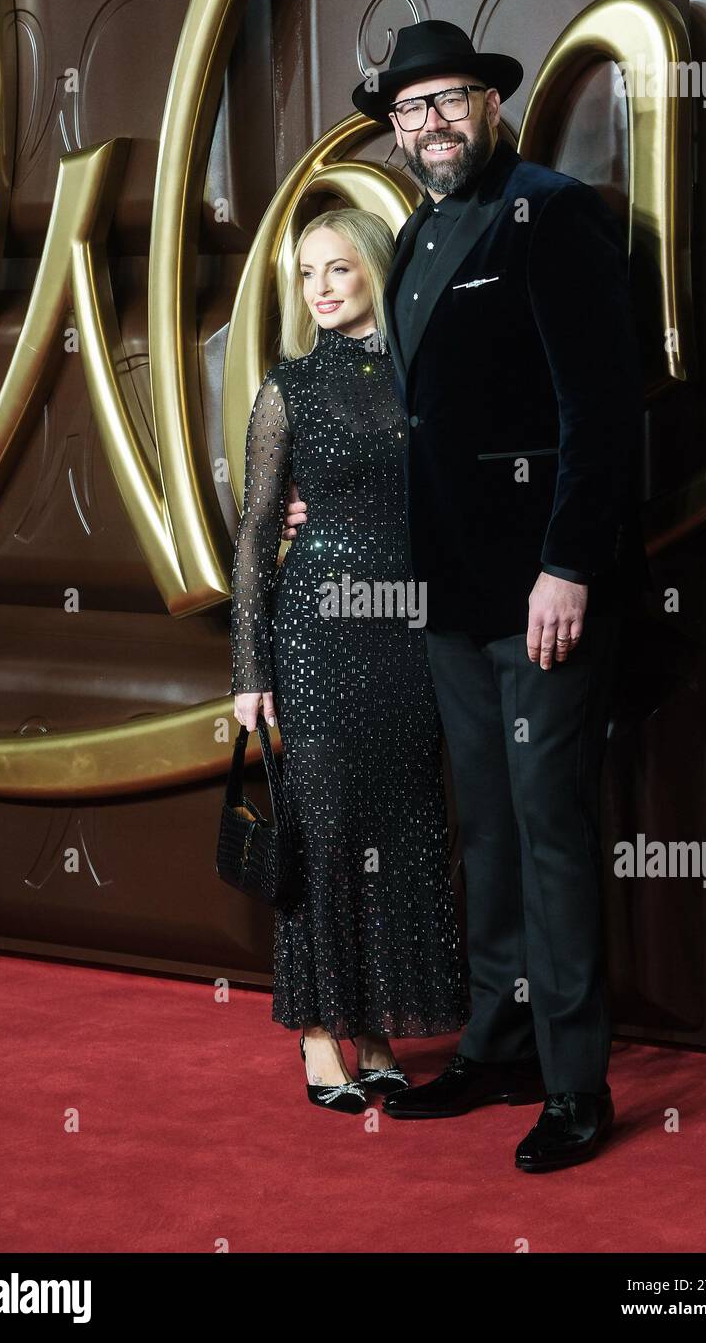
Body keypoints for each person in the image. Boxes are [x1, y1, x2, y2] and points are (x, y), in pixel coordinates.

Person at [281, 21, 651, 1168]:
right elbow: (425, 427)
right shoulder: (425, 230)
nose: (429, 125)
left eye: (447, 102)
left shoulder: (552, 213)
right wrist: (317, 504)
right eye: (408, 111)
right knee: (485, 833)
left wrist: (570, 565)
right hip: (444, 599)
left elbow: (600, 413)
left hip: (541, 595)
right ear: (392, 132)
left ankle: (577, 1087)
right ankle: (501, 1043)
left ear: (489, 105)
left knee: (547, 837)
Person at [230, 206, 470, 1114]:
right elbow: (255, 534)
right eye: (305, 275)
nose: (320, 289)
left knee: (401, 829)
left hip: (411, 633)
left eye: (337, 269)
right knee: (324, 831)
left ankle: (374, 1027)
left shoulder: (424, 377)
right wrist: (249, 669)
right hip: (318, 635)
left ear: (374, 267)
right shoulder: (287, 389)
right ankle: (323, 1034)